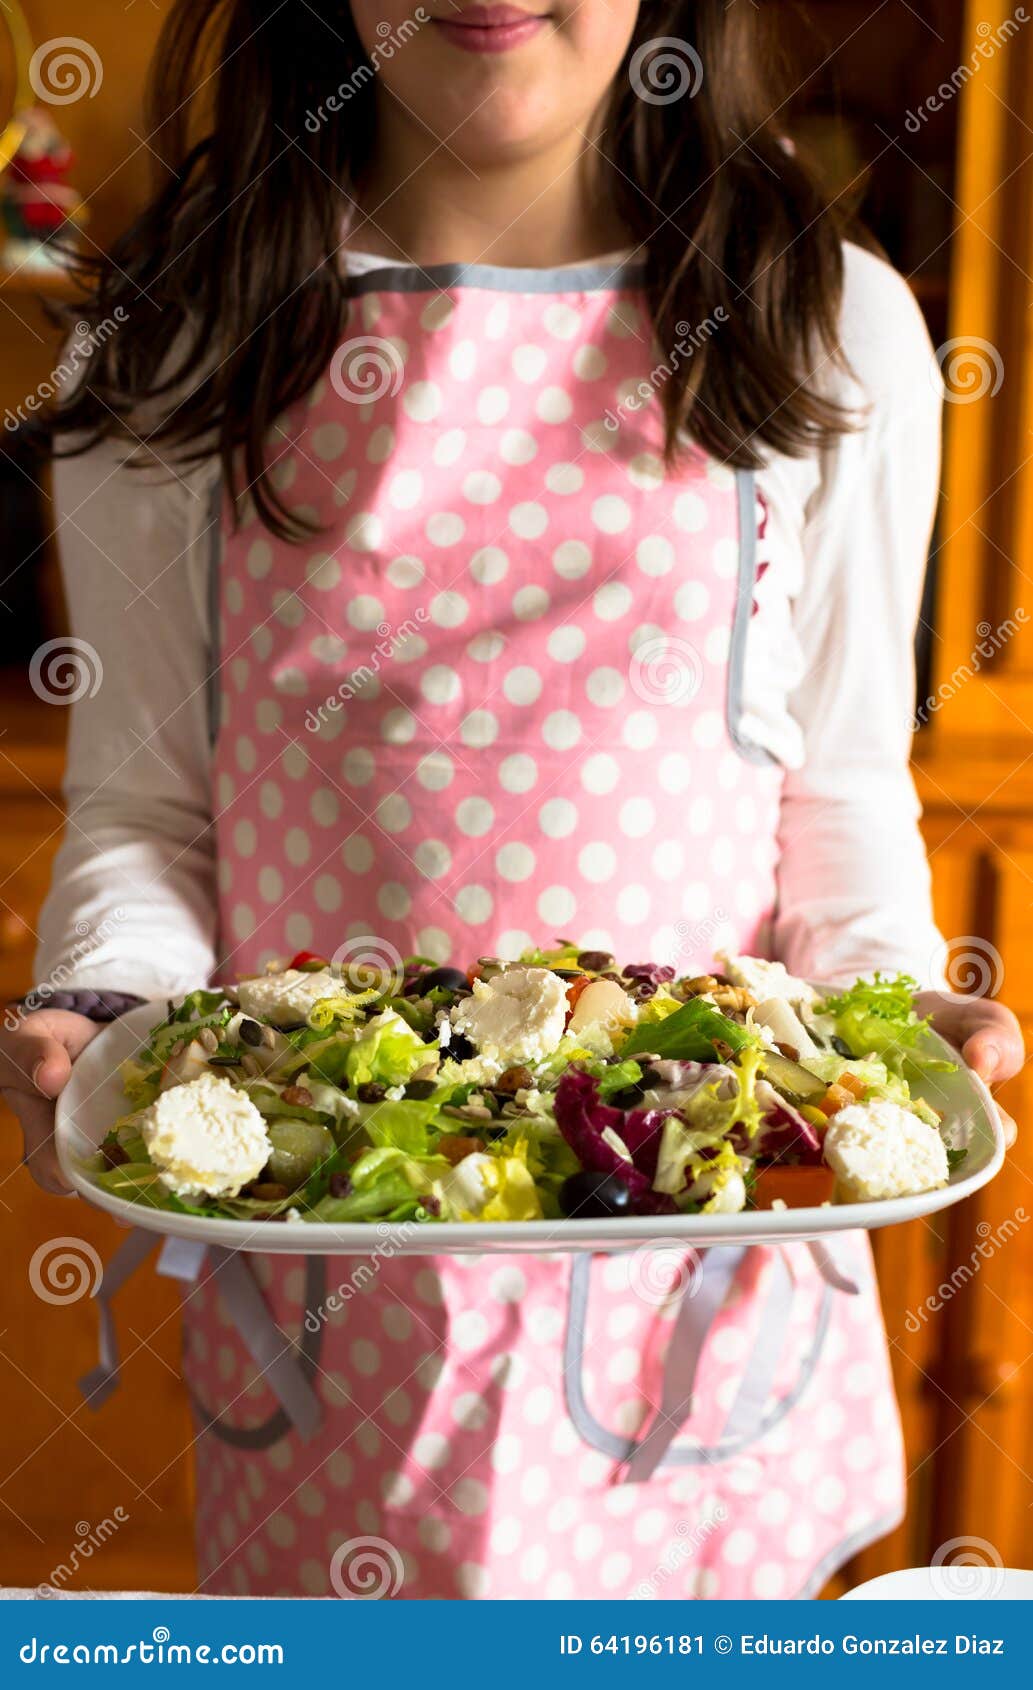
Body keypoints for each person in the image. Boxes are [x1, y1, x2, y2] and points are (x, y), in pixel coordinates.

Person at [1, 0, 1022, 1599]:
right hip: (341, 1335)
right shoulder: (172, 345)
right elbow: (147, 812)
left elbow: (835, 798)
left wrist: (890, 1024)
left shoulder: (825, 323)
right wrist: (104, 1004)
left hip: (704, 1319)